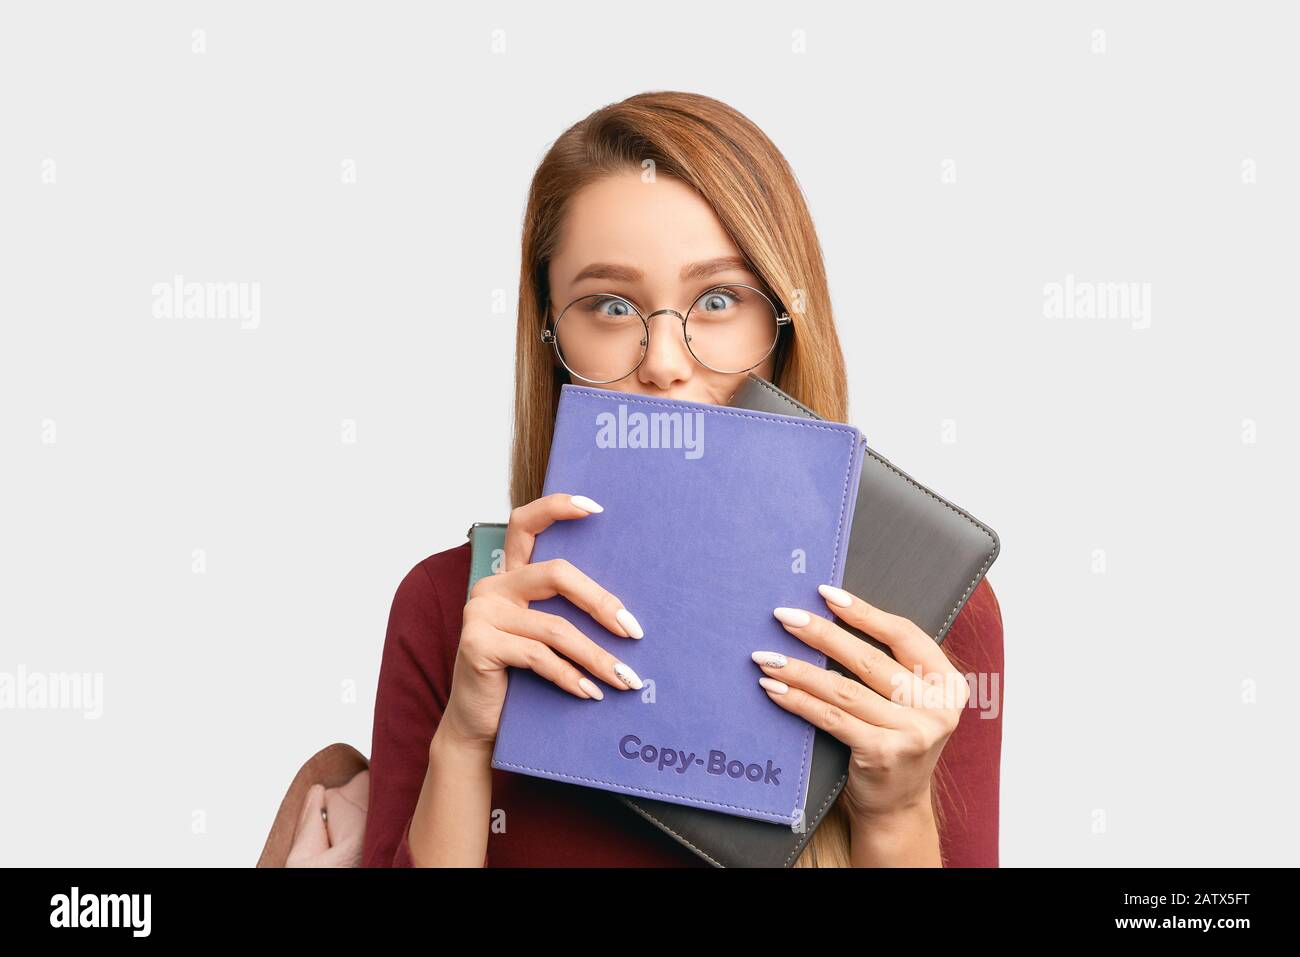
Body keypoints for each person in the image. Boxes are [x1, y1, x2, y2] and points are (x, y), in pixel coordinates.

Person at [362, 91, 1004, 868]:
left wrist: (896, 810)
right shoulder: (446, 610)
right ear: (550, 337)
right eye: (608, 304)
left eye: (720, 299)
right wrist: (463, 743)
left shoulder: (930, 625)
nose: (665, 362)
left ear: (784, 331)